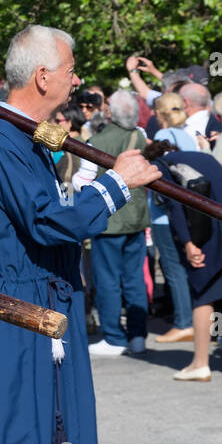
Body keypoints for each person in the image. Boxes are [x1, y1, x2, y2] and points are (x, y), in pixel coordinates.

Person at [0, 25, 159, 444]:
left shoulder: (23, 136)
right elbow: (48, 222)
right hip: (15, 309)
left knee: (52, 430)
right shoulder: (1, 139)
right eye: (70, 70)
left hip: (42, 300)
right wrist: (115, 183)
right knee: (15, 432)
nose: (77, 79)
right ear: (43, 77)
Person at [159, 150, 222, 380]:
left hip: (209, 235)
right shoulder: (200, 156)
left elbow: (175, 205)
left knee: (204, 296)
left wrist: (187, 243)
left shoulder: (162, 166)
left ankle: (201, 363)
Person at [71, 91, 152, 356]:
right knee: (134, 279)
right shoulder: (140, 136)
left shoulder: (97, 141)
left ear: (110, 112)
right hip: (137, 218)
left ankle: (114, 337)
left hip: (109, 219)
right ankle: (138, 336)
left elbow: (82, 182)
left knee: (107, 280)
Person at [148, 93, 198, 343]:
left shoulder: (161, 138)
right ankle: (191, 319)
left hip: (164, 214)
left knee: (173, 267)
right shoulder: (189, 137)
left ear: (160, 114)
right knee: (186, 267)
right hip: (188, 212)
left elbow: (160, 180)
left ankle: (183, 322)